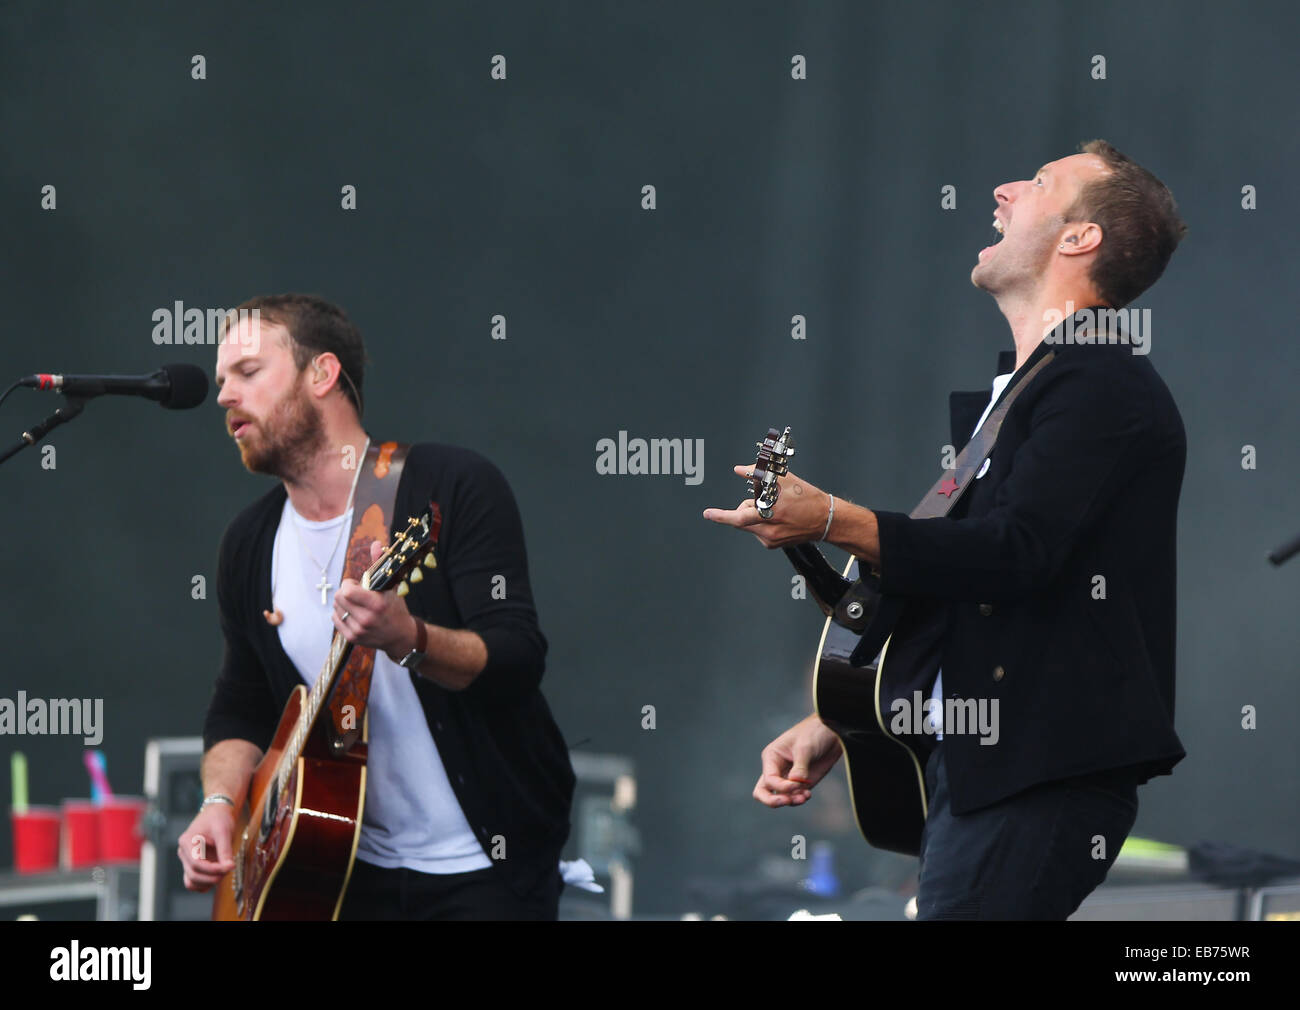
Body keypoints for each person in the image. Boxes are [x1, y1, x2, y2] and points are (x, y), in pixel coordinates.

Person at [704, 140, 1189, 920]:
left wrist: (831, 518)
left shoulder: (1101, 379)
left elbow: (1015, 554)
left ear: (1079, 237)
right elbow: (967, 581)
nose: (1002, 190)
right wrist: (848, 713)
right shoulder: (1039, 386)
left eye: (1035, 183)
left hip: (1039, 777)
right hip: (988, 771)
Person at [176, 294, 574, 920]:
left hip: (483, 871)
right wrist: (221, 805)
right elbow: (241, 702)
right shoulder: (249, 544)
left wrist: (409, 637)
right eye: (223, 379)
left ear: (323, 374)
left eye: (248, 373)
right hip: (339, 872)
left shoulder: (449, 487)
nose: (224, 395)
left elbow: (518, 659)